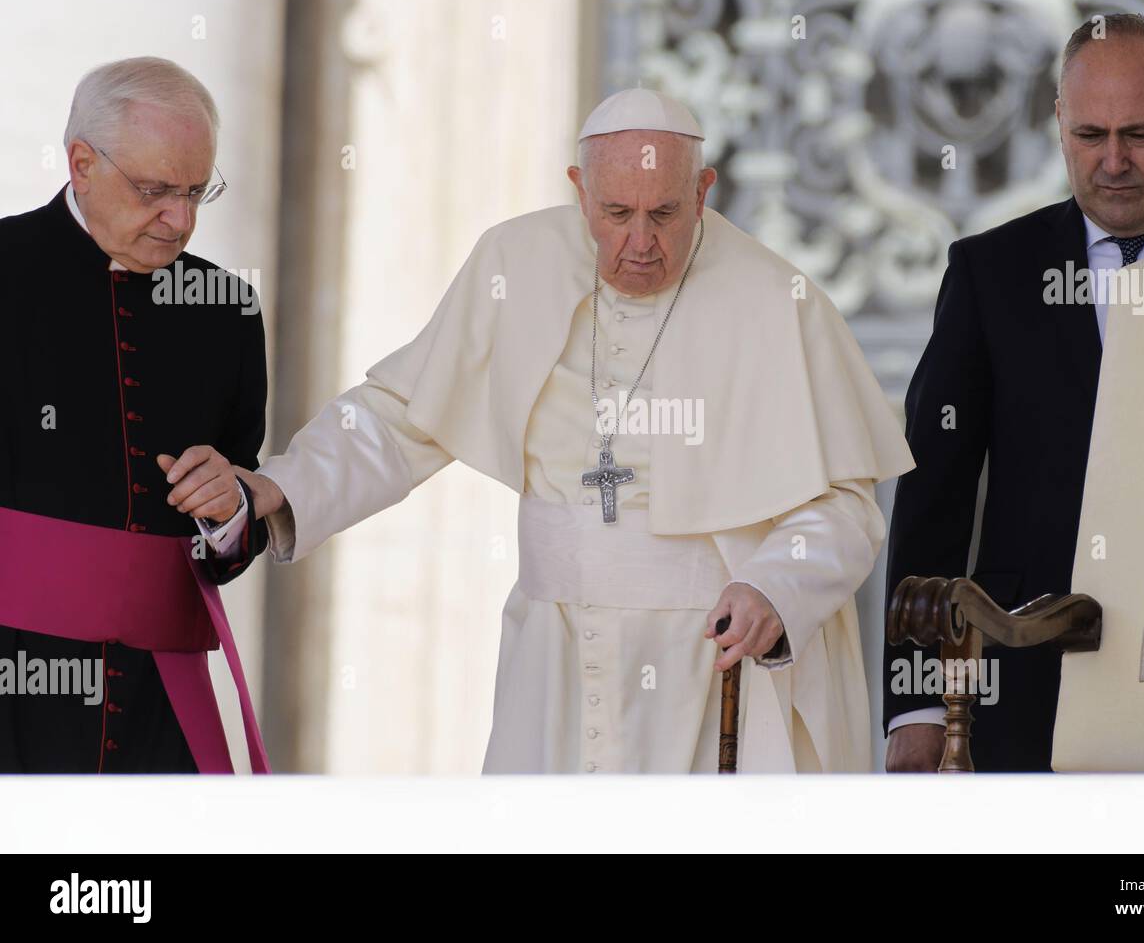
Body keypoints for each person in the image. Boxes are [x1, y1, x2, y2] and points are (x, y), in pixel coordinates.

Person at [240, 88, 915, 773]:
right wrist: (285, 482)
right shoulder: (513, 264)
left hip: (707, 665)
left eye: (666, 213)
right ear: (579, 191)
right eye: (616, 213)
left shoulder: (775, 300)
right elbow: (401, 416)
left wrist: (775, 587)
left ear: (704, 190)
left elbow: (844, 508)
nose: (641, 243)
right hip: (552, 655)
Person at [883, 14, 1144, 772]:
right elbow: (933, 492)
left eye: (1139, 134)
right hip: (1023, 663)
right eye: (1089, 135)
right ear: (1057, 127)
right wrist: (918, 702)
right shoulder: (989, 272)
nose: (1113, 162)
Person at [0, 57, 270, 773]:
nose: (179, 219)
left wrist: (230, 510)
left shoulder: (228, 309)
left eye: (195, 192)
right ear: (81, 163)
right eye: (154, 191)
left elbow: (241, 522)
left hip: (159, 702)